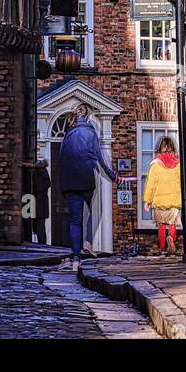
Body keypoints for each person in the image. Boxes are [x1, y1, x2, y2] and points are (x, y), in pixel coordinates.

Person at [58, 108, 117, 270]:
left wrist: (62, 185)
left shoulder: (67, 135)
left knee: (75, 221)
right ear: (88, 117)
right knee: (95, 211)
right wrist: (113, 176)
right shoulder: (91, 133)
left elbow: (61, 160)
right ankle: (88, 241)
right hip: (86, 178)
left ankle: (76, 258)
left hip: (69, 181)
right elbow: (100, 158)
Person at [142, 136, 182, 257]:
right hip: (174, 200)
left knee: (161, 225)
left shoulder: (155, 164)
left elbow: (150, 184)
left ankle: (163, 248)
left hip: (159, 201)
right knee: (172, 224)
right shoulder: (178, 164)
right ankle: (171, 238)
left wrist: (147, 201)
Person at [31, 158, 51, 244]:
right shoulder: (44, 173)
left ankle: (42, 244)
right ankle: (42, 243)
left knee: (39, 226)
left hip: (38, 203)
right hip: (40, 202)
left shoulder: (39, 173)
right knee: (40, 225)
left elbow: (37, 188)